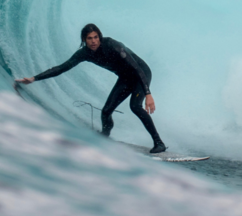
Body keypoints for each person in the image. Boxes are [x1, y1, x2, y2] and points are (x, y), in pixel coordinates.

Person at [15, 24, 167, 153]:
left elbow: (135, 67)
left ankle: (158, 143)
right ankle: (105, 136)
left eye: (96, 37)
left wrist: (148, 93)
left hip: (141, 73)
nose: (94, 41)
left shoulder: (113, 45)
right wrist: (34, 78)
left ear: (99, 37)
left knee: (135, 106)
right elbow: (62, 68)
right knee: (106, 111)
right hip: (126, 77)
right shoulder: (84, 53)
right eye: (89, 38)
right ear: (84, 40)